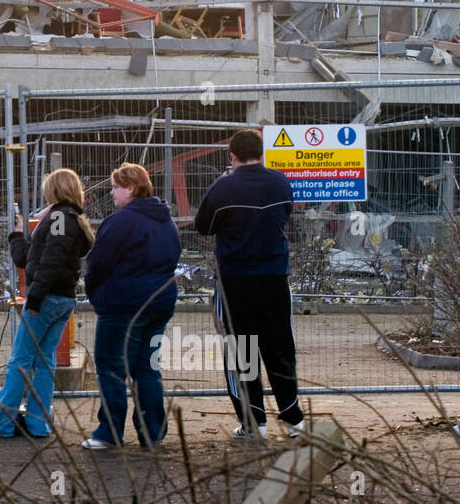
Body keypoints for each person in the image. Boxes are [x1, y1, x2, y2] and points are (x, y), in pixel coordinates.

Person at [194, 128, 304, 439]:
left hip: (235, 282)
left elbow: (203, 226)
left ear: (232, 155)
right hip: (274, 279)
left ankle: (254, 423)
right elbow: (286, 214)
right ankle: (293, 417)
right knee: (280, 346)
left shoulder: (224, 187)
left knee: (241, 350)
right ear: (262, 152)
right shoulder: (280, 182)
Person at [0, 168, 94, 439]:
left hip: (46, 299)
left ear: (55, 191)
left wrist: (34, 298)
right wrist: (18, 233)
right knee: (43, 362)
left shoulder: (60, 218)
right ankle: (38, 423)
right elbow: (27, 258)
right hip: (63, 300)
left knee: (20, 361)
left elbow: (51, 260)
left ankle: (0, 422)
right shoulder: (70, 219)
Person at [81, 163, 182, 450]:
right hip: (160, 301)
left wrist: (97, 294)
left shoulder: (121, 221)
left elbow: (98, 262)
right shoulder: (166, 220)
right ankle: (152, 433)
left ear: (131, 188)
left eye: (115, 187)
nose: (111, 192)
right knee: (147, 368)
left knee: (111, 366)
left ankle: (109, 432)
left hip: (124, 303)